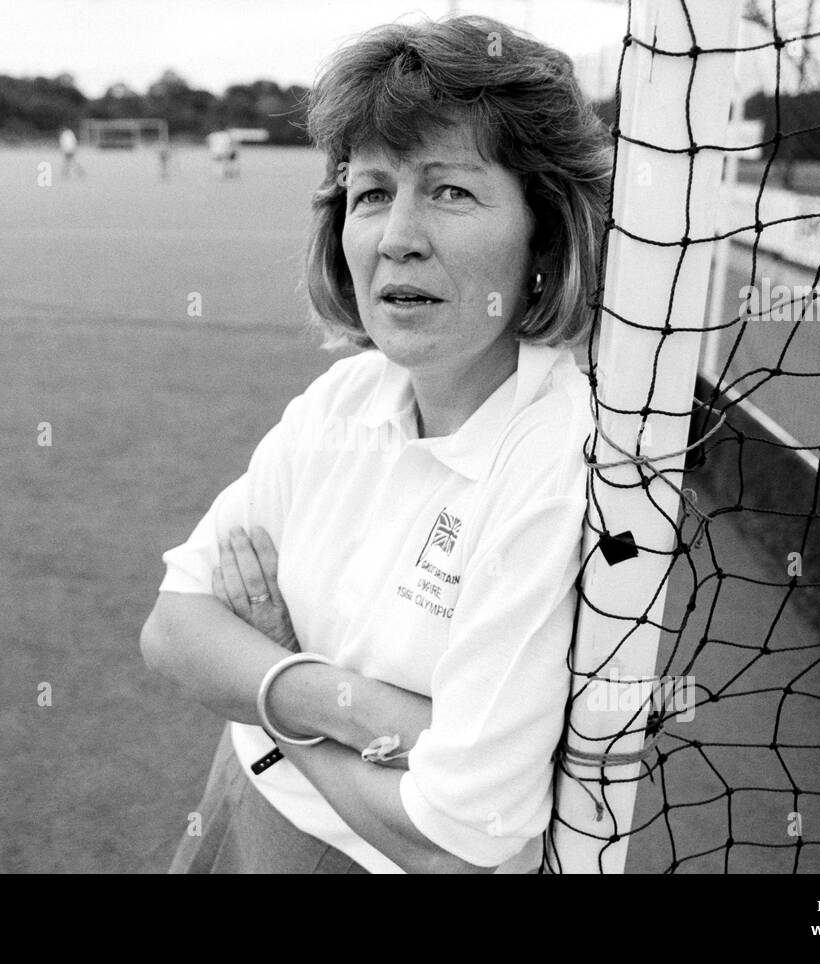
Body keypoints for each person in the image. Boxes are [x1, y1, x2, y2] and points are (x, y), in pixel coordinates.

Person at [141, 15, 610, 874]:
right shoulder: (347, 397)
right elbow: (172, 627)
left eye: (451, 190)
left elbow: (453, 840)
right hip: (239, 797)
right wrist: (343, 704)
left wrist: (270, 694)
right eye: (370, 193)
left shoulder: (557, 471)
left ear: (546, 234)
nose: (397, 235)